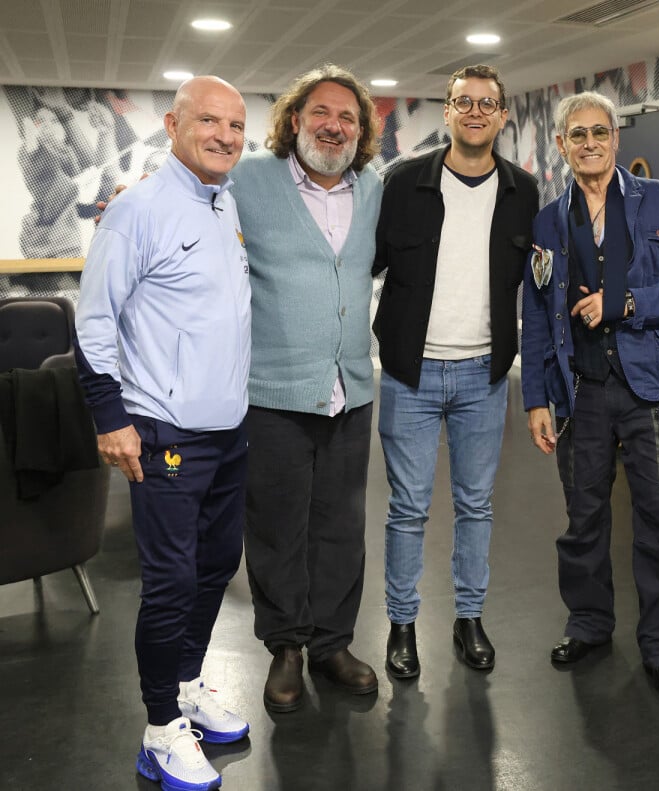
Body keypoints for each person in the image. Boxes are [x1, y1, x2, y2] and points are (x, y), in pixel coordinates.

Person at [75, 76, 251, 791]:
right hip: (164, 431)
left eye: (237, 126)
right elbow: (94, 320)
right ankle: (158, 729)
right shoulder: (138, 209)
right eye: (210, 121)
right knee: (173, 580)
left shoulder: (224, 201)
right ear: (175, 125)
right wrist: (109, 415)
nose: (225, 136)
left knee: (215, 567)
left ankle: (184, 682)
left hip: (228, 432)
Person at [522, 91, 659, 696]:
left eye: (599, 132)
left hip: (654, 386)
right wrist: (534, 399)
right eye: (577, 135)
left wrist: (627, 304)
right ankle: (589, 623)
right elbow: (535, 307)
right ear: (561, 145)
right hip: (581, 392)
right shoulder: (551, 219)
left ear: (616, 139)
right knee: (583, 520)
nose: (590, 144)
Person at [373, 65, 539, 678]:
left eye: (487, 103)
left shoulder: (523, 190)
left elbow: (534, 285)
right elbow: (365, 264)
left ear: (501, 115)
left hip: (483, 376)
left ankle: (469, 619)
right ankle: (401, 624)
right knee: (408, 508)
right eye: (463, 102)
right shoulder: (404, 183)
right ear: (446, 111)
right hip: (409, 375)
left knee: (475, 505)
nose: (475, 111)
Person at [233, 64, 384, 712]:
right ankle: (286, 645)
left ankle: (331, 642)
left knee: (342, 524)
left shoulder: (373, 189)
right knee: (276, 524)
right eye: (322, 112)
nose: (334, 125)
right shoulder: (249, 180)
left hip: (349, 386)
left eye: (348, 117)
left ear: (362, 131)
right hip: (273, 390)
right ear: (295, 119)